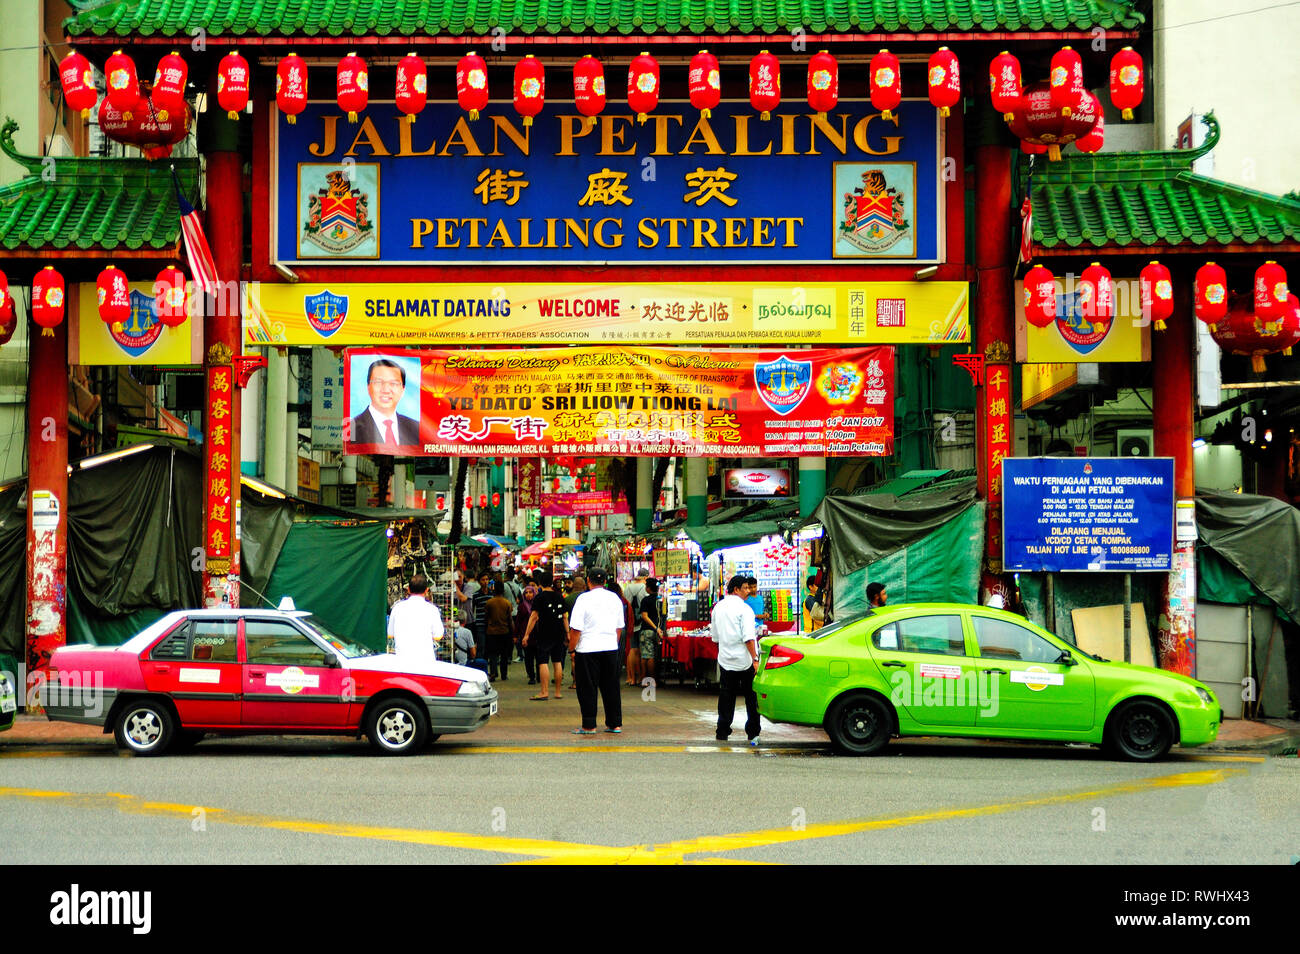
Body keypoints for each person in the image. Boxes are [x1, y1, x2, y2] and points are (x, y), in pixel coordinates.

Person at [567, 568, 625, 734]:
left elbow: (576, 629)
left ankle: (589, 725)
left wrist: (571, 648)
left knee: (587, 688)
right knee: (611, 687)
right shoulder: (615, 598)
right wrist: (612, 643)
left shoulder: (583, 599)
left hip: (587, 650)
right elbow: (619, 627)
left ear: (588, 581)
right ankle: (615, 724)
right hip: (610, 648)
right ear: (605, 581)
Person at [711, 575, 761, 746]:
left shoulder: (718, 607)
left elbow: (715, 637)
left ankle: (722, 730)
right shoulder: (745, 609)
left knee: (726, 696)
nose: (749, 591)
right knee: (751, 697)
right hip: (745, 660)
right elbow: (748, 638)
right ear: (736, 590)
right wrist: (755, 658)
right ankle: (753, 731)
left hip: (725, 659)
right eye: (745, 588)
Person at [350, 358, 420, 447]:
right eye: (378, 382)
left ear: (403, 390)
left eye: (393, 383)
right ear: (368, 386)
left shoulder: (416, 428)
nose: (386, 390)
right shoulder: (352, 428)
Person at [522, 571, 568, 701]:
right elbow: (564, 617)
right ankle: (558, 692)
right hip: (559, 632)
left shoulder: (540, 597)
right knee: (557, 661)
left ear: (540, 583)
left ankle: (544, 691)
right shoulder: (560, 596)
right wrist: (568, 633)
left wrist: (526, 635)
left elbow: (534, 617)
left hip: (544, 633)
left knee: (543, 662)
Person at [386, 573, 443, 668]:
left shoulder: (397, 608)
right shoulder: (432, 609)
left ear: (408, 589)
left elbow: (390, 634)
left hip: (402, 662)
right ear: (426, 590)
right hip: (426, 662)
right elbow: (438, 635)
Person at [633, 577, 664, 685]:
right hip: (658, 631)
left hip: (647, 630)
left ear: (649, 588)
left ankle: (647, 680)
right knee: (653, 655)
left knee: (646, 656)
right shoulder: (660, 600)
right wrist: (658, 629)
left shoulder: (646, 600)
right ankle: (652, 679)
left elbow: (644, 616)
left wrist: (654, 628)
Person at [484, 581, 514, 680]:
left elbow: (486, 617)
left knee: (492, 654)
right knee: (504, 655)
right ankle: (504, 675)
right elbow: (510, 619)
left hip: (491, 631)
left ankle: (493, 673)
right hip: (504, 631)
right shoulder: (507, 603)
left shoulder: (489, 602)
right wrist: (513, 632)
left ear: (494, 589)